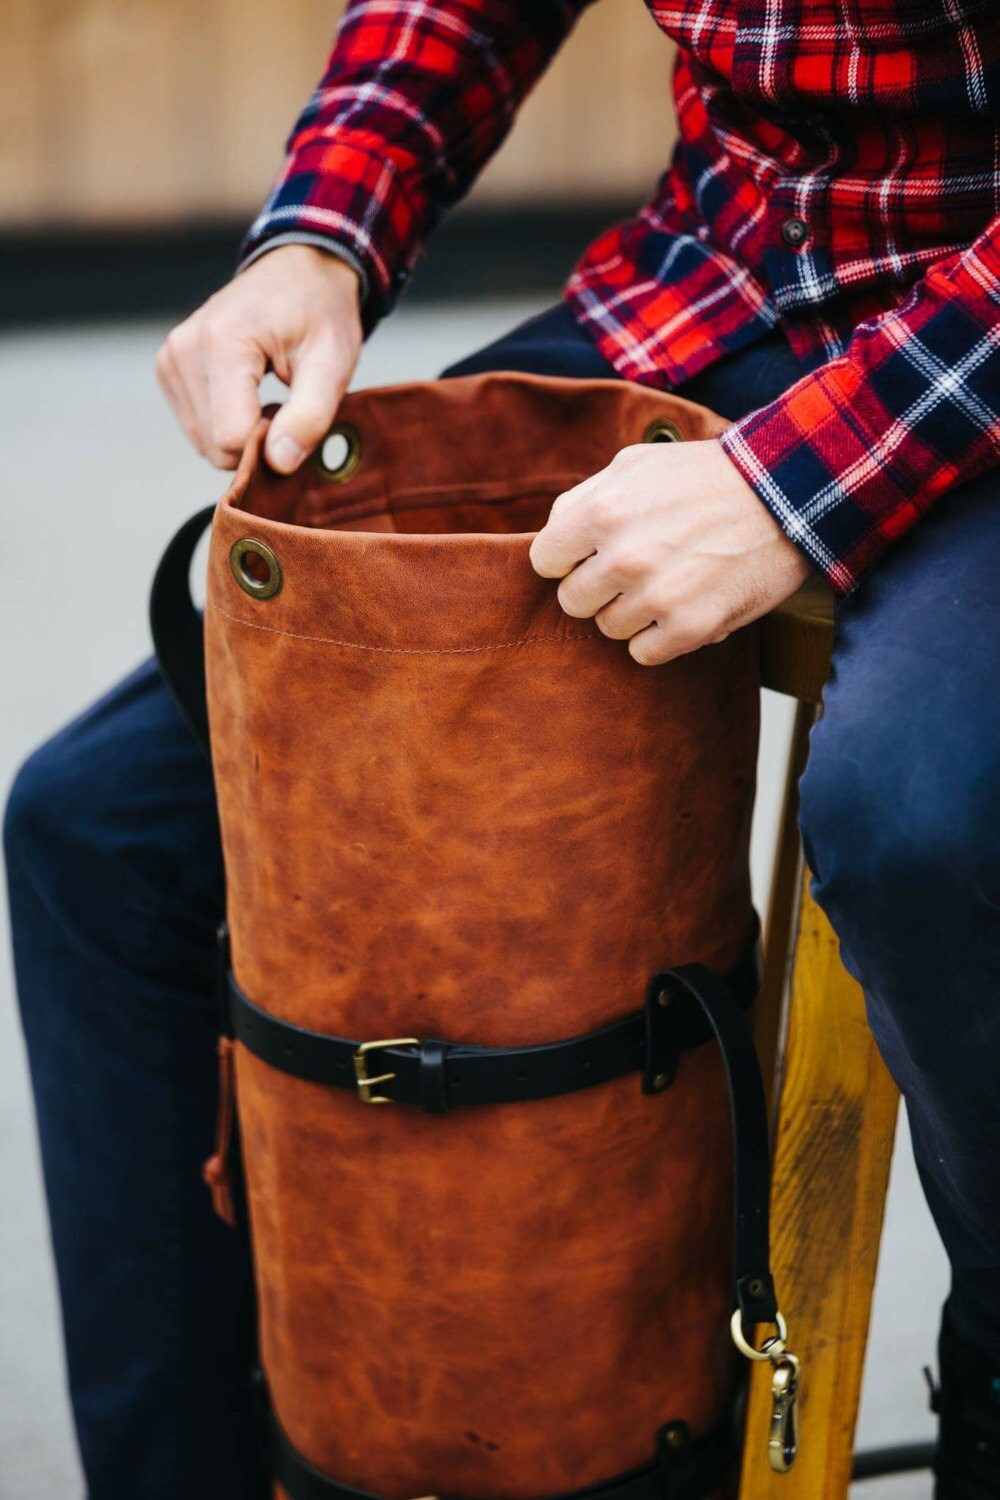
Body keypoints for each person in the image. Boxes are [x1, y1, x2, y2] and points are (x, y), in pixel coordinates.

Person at [5, 3, 1000, 1497]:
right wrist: (318, 235)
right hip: (724, 283)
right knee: (100, 827)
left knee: (920, 821)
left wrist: (791, 489)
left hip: (978, 344)